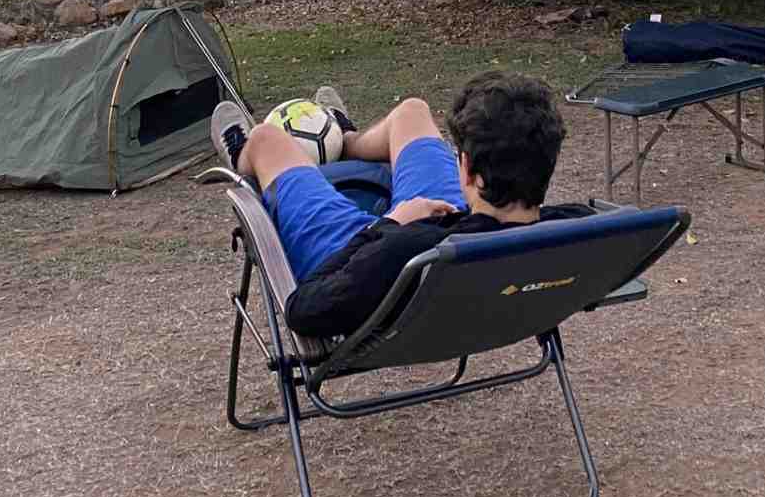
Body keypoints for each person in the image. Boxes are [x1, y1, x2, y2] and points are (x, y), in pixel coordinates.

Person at [210, 73, 593, 339]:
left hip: (367, 255)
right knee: (411, 110)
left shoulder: (403, 251)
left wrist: (390, 223)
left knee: (266, 139)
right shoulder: (581, 230)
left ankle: (246, 152)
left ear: (469, 170)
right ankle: (345, 138)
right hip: (463, 220)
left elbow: (304, 309)